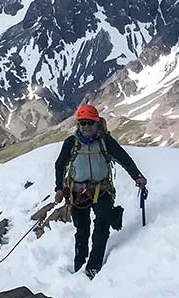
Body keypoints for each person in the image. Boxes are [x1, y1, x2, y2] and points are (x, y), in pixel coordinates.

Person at [54, 104, 147, 278]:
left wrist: (137, 176)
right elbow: (60, 165)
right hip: (77, 192)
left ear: (97, 123)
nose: (86, 126)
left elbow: (124, 159)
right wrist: (59, 188)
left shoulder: (105, 141)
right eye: (83, 123)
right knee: (82, 229)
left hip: (102, 190)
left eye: (90, 123)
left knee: (102, 226)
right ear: (78, 124)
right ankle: (80, 263)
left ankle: (93, 266)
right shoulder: (71, 143)